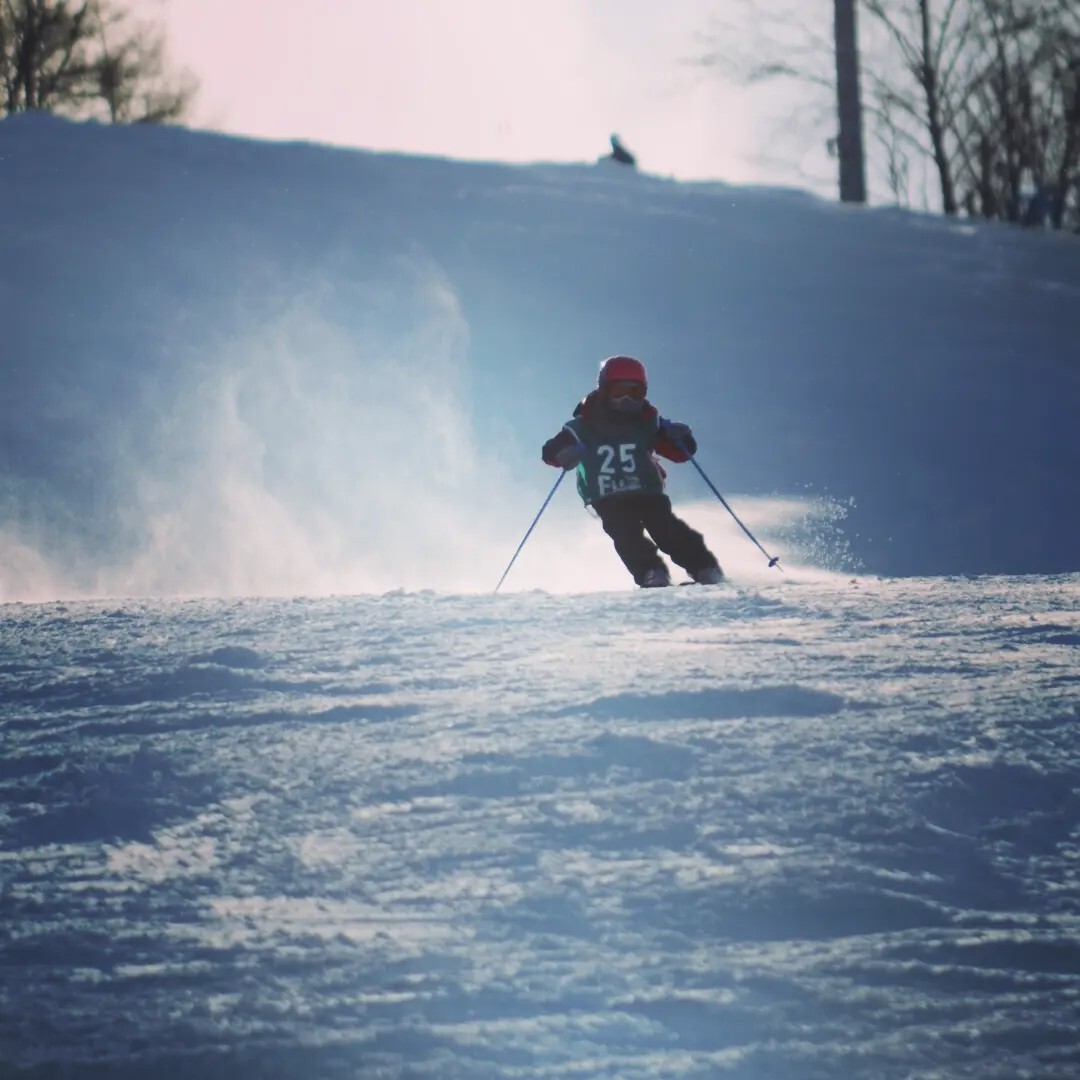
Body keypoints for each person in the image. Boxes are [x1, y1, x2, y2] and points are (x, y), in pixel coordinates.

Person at [541, 356, 725, 588]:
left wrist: (680, 439)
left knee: (667, 528)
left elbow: (680, 454)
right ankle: (651, 571)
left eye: (634, 393)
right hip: (606, 495)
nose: (627, 400)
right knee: (624, 532)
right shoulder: (583, 426)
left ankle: (704, 568)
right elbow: (550, 451)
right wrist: (562, 453)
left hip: (645, 489)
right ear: (605, 390)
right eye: (619, 392)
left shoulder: (648, 421)